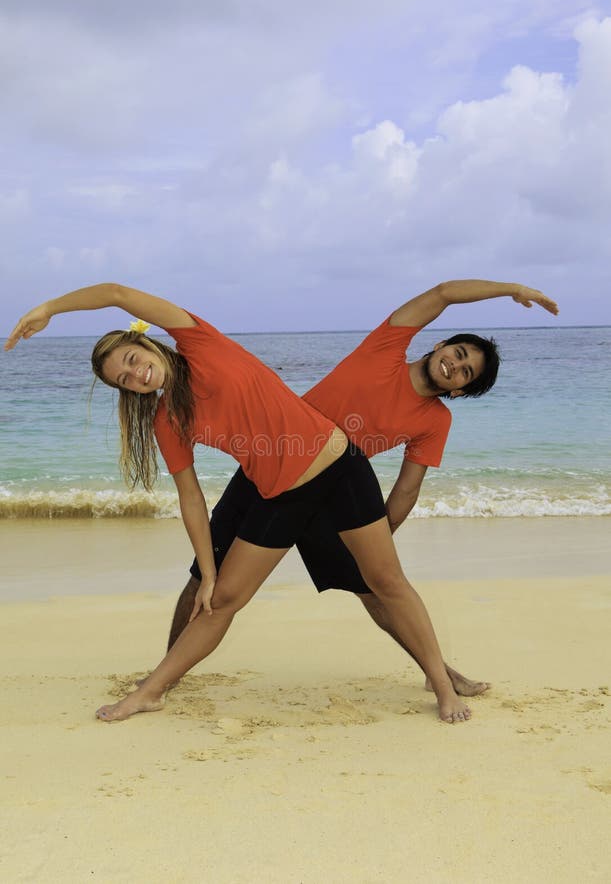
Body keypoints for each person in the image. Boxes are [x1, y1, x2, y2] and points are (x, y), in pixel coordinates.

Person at [6, 283, 484, 725]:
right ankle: (152, 690)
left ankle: (442, 686)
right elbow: (191, 498)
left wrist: (49, 308)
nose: (135, 374)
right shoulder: (167, 421)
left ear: (148, 344)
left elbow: (116, 293)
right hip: (278, 492)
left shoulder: (201, 343)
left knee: (385, 582)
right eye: (124, 380)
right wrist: (209, 573)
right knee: (221, 598)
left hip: (338, 468)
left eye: (132, 359)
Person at [166, 279, 559, 696]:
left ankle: (437, 671)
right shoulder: (385, 349)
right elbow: (442, 294)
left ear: (460, 389)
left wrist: (375, 539)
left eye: (464, 373)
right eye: (457, 354)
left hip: (335, 493)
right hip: (267, 473)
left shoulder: (435, 421)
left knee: (377, 590)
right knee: (202, 577)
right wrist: (510, 290)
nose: (453, 366)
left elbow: (407, 490)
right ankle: (166, 673)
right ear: (441, 343)